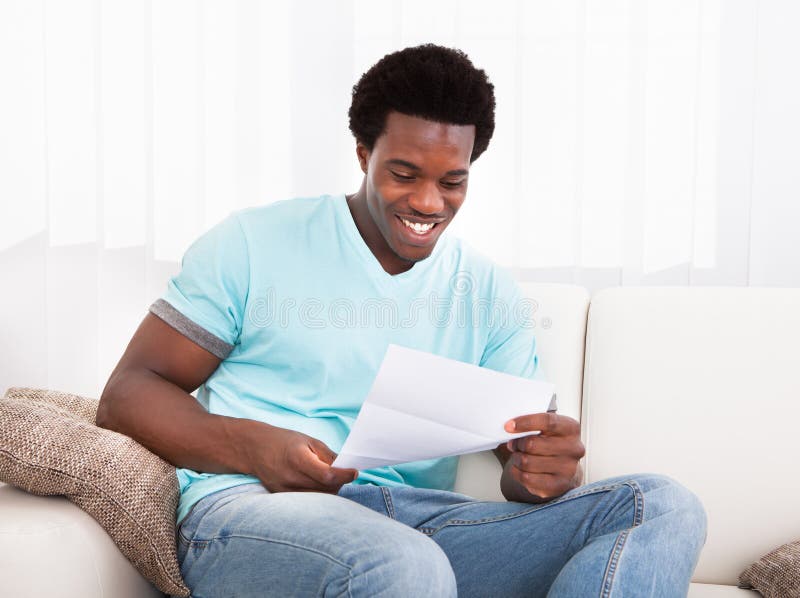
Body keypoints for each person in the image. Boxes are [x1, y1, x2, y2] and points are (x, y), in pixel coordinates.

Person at [97, 44, 706, 597]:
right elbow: (127, 394)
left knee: (660, 505)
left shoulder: (487, 292)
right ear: (364, 154)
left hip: (423, 521)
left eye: (453, 181)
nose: (428, 203)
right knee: (404, 565)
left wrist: (540, 469)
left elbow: (518, 472)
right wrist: (250, 446)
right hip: (253, 512)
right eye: (404, 174)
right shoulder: (253, 244)